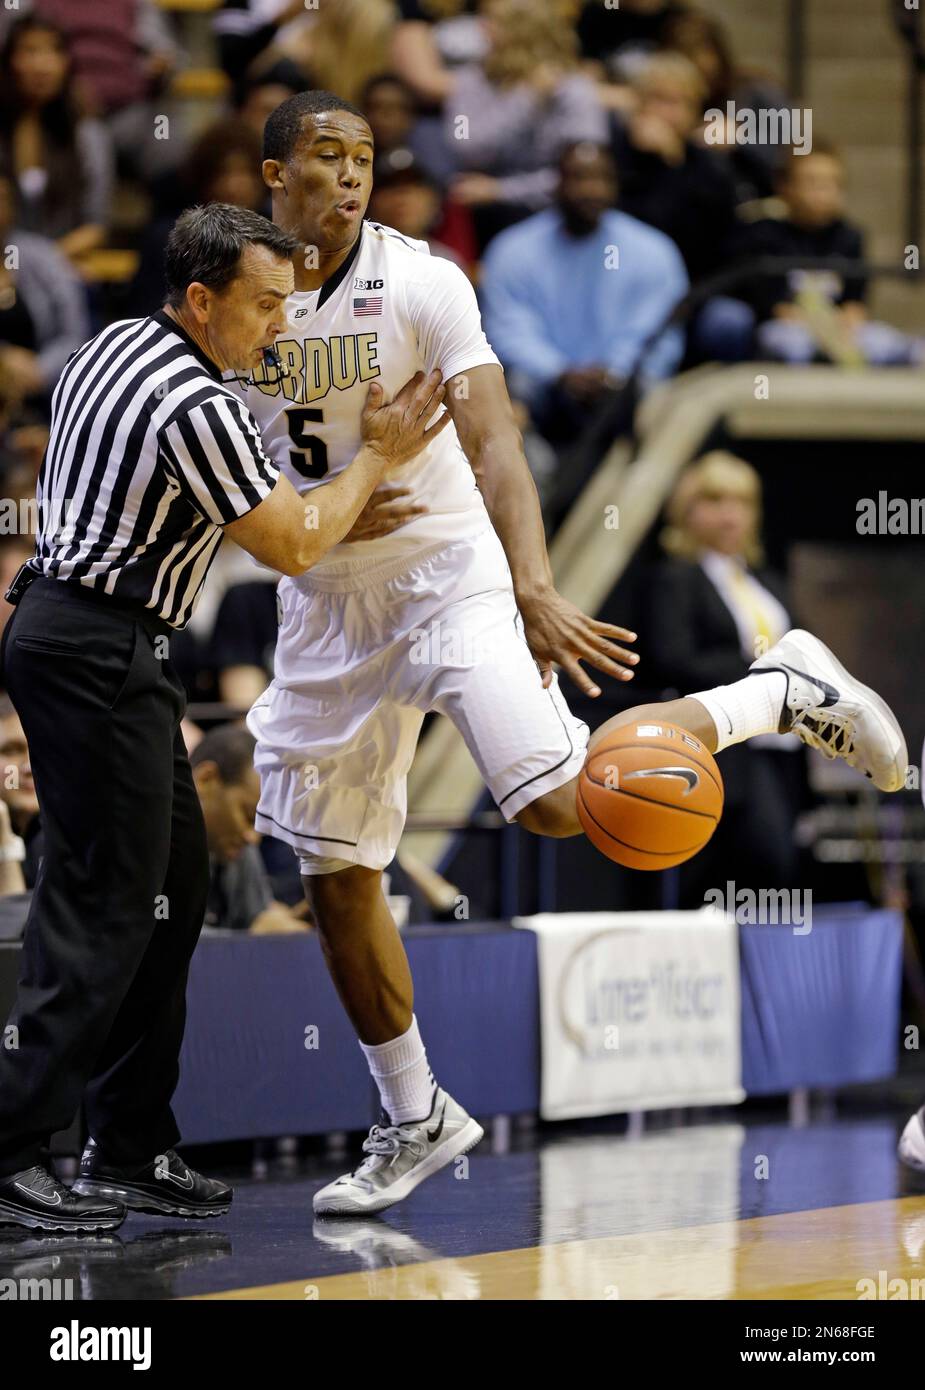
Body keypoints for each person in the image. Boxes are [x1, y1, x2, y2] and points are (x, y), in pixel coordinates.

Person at [239, 89, 907, 1217]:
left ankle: (773, 686)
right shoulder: (240, 295)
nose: (348, 177)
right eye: (323, 157)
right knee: (335, 877)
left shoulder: (423, 279)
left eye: (361, 159)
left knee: (561, 802)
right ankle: (415, 1116)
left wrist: (532, 582)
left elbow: (495, 436)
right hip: (320, 604)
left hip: (445, 572)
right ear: (271, 175)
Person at [0, 201, 449, 1232]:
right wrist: (373, 458)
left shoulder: (117, 343)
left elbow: (282, 517)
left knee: (174, 881)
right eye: (264, 307)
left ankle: (128, 1140)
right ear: (200, 300)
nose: (282, 327)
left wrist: (329, 506)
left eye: (288, 305)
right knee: (104, 902)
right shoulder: (194, 403)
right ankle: (15, 1146)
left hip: (91, 635)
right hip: (96, 645)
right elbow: (290, 543)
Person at [647, 453, 805, 904]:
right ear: (687, 509)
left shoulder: (768, 583)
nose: (731, 514)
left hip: (781, 747)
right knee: (754, 861)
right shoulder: (676, 579)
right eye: (715, 500)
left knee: (779, 864)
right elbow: (672, 657)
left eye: (742, 501)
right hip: (721, 745)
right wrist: (764, 676)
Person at [480, 141, 687, 443]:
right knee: (517, 385)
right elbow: (507, 330)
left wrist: (614, 373)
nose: (591, 189)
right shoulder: (512, 250)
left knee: (654, 389)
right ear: (558, 182)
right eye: (579, 177)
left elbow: (659, 333)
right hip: (545, 386)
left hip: (624, 387)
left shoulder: (653, 250)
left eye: (601, 178)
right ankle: (537, 481)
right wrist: (559, 372)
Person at [714, 144, 922, 366]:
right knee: (790, 345)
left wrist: (845, 322)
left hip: (841, 330)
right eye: (811, 182)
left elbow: (856, 302)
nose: (821, 193)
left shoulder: (851, 237)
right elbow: (773, 305)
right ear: (785, 187)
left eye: (830, 184)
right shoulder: (764, 235)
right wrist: (815, 328)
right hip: (791, 328)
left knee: (884, 342)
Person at [0, 16, 113, 264]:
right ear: (9, 61)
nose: (42, 66)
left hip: (63, 265)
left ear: (66, 64)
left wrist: (43, 264)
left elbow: (96, 228)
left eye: (53, 51)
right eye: (30, 51)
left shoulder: (87, 135)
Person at [191, 723, 308, 934]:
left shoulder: (238, 848)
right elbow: (158, 939)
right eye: (247, 815)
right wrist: (252, 937)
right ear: (206, 780)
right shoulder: (148, 846)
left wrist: (292, 923)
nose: (253, 837)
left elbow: (258, 919)